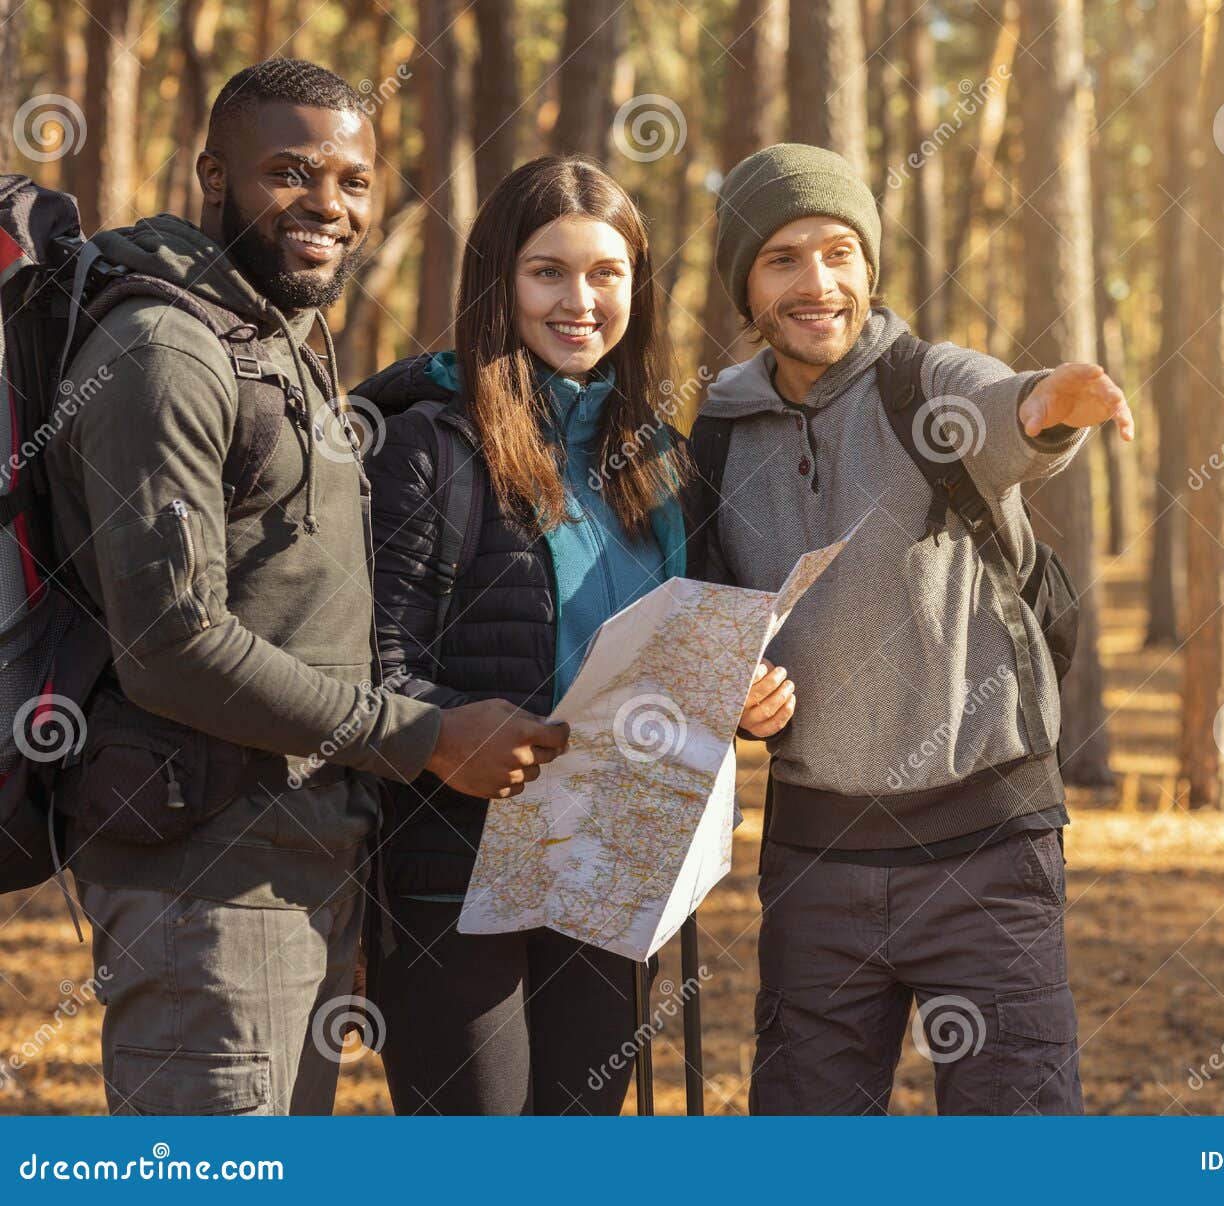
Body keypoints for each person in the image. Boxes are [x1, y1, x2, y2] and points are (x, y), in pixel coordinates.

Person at [46, 60, 567, 1116]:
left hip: (302, 866)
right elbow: (175, 645)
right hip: (206, 881)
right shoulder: (164, 353)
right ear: (212, 173)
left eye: (355, 180)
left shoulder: (277, 342)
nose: (329, 204)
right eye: (290, 172)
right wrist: (423, 737)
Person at [694, 143, 1134, 1115]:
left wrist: (1053, 403)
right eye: (783, 259)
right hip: (816, 860)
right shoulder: (717, 433)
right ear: (746, 286)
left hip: (985, 850)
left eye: (840, 252)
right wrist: (736, 695)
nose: (819, 282)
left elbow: (1001, 410)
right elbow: (710, 619)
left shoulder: (922, 384)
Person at [358, 154, 794, 1115]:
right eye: (547, 271)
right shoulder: (429, 444)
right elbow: (374, 669)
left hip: (617, 863)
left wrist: (751, 692)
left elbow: (704, 638)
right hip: (455, 877)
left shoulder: (665, 459)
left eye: (606, 273)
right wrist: (450, 731)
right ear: (498, 281)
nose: (580, 300)